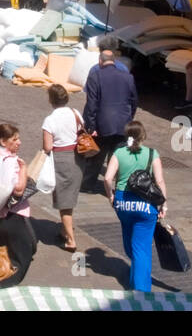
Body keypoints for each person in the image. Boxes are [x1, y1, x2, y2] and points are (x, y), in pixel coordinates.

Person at [103, 120, 166, 293]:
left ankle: (135, 275)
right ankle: (141, 290)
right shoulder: (152, 154)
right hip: (146, 204)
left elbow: (108, 178)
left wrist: (111, 196)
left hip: (123, 202)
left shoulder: (119, 153)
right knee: (142, 247)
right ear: (143, 135)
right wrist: (163, 204)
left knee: (130, 240)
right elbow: (159, 181)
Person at [0, 123, 36, 282]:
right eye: (15, 139)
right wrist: (24, 169)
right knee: (21, 256)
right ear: (4, 142)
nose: (19, 142)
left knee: (1, 254)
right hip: (13, 214)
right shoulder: (12, 161)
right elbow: (18, 190)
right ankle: (6, 289)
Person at [81, 47, 139, 190]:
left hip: (102, 123)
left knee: (96, 156)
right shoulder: (128, 77)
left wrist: (91, 126)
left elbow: (91, 103)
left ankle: (88, 185)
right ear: (114, 61)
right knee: (118, 157)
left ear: (100, 61)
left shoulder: (96, 75)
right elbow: (134, 101)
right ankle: (120, 187)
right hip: (123, 124)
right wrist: (129, 117)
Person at [42, 85, 84, 252]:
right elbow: (81, 131)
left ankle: (70, 240)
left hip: (61, 160)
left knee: (64, 202)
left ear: (51, 100)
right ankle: (63, 230)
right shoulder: (75, 113)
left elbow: (47, 147)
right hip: (78, 159)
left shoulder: (50, 120)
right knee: (69, 196)